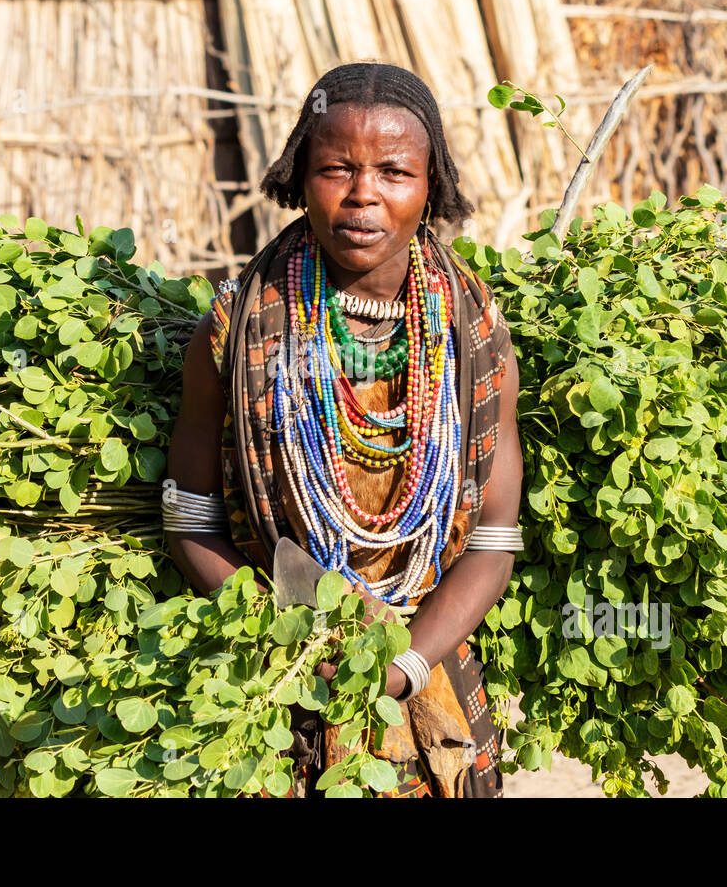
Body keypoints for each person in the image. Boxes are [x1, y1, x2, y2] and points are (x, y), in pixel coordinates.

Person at [164, 62, 522, 797]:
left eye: (395, 171)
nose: (363, 195)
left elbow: (492, 539)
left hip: (432, 680)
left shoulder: (474, 334)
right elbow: (187, 517)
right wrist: (291, 638)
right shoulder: (234, 330)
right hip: (273, 684)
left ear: (433, 188)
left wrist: (402, 665)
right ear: (299, 178)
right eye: (336, 169)